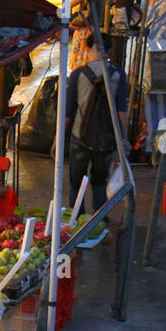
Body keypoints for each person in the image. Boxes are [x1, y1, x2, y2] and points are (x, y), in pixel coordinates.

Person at [65, 31, 128, 215]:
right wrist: (122, 140)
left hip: (79, 137)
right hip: (106, 140)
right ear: (109, 49)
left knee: (76, 184)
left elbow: (68, 113)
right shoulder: (118, 74)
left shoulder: (78, 75)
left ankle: (75, 223)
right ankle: (99, 224)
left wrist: (57, 140)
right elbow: (121, 113)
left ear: (87, 47)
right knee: (100, 183)